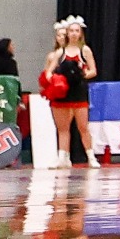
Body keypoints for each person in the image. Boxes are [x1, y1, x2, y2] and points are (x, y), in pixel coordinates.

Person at [43, 16, 97, 168]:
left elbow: (93, 70)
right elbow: (48, 71)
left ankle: (91, 157)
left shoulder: (84, 50)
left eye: (76, 31)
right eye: (71, 31)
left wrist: (80, 75)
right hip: (63, 93)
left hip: (79, 91)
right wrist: (55, 80)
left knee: (83, 127)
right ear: (67, 33)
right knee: (63, 128)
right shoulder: (61, 52)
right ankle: (63, 157)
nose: (73, 34)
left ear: (81, 33)